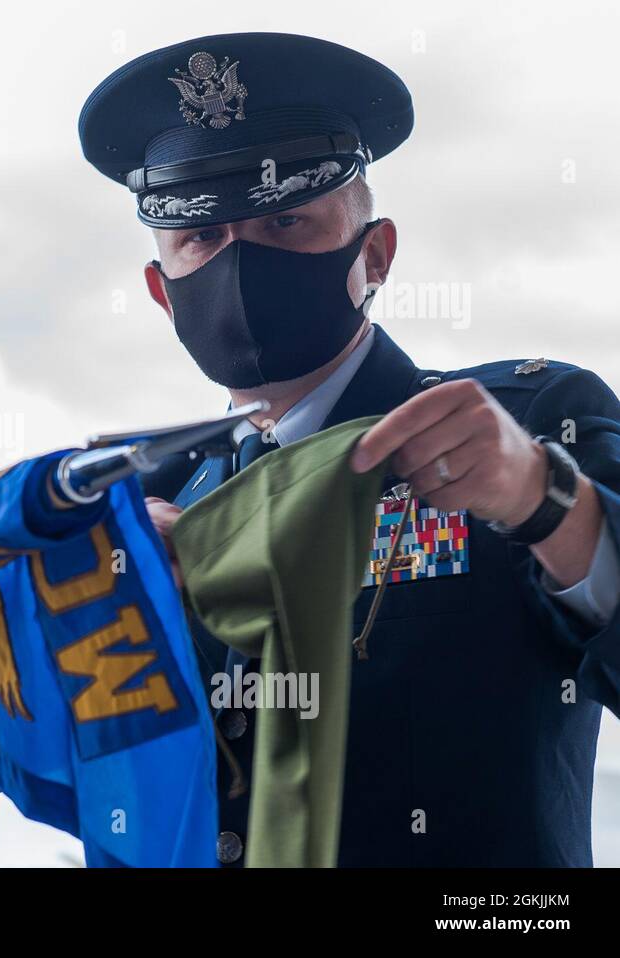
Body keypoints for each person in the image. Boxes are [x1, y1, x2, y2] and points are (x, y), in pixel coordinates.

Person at [79, 32, 620, 866]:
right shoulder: (139, 502)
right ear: (162, 290)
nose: (241, 260)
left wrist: (549, 503)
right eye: (201, 239)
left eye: (284, 219)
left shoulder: (530, 427)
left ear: (375, 253)